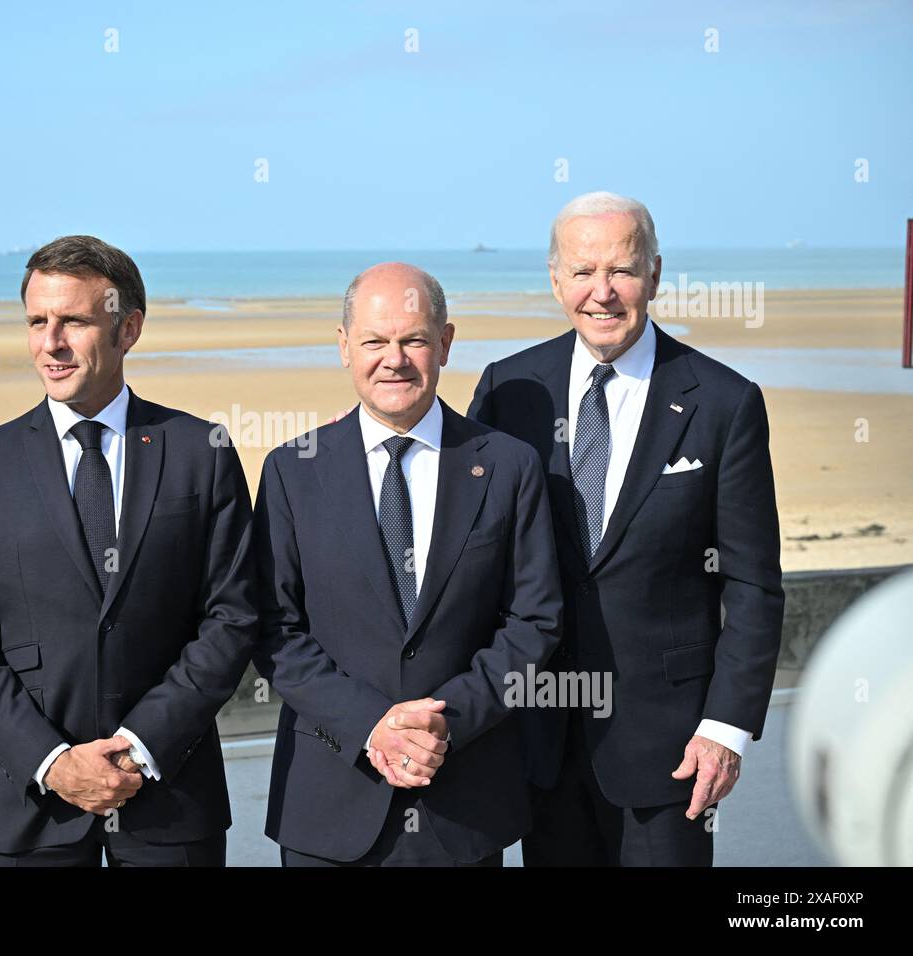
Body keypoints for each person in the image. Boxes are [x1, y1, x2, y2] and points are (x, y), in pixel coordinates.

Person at [468, 191, 784, 866]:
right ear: (556, 281)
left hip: (672, 754)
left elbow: (754, 585)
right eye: (583, 272)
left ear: (656, 276)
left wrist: (726, 729)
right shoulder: (508, 390)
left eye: (623, 271)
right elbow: (476, 562)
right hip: (537, 741)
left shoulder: (724, 403)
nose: (602, 293)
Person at [0, 235, 257, 867]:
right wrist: (51, 763)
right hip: (29, 808)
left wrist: (141, 744)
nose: (50, 342)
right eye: (36, 322)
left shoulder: (202, 451)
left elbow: (233, 617)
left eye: (73, 321)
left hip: (171, 803)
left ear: (127, 327)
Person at [254, 262, 562, 866]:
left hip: (465, 803)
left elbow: (535, 621)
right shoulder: (292, 470)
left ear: (445, 343)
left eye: (413, 339)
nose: (393, 359)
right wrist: (374, 725)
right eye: (374, 340)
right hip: (328, 804)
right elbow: (272, 628)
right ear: (344, 347)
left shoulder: (507, 465)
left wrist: (446, 722)